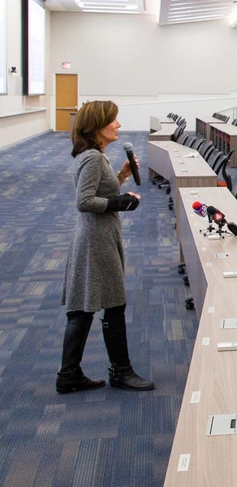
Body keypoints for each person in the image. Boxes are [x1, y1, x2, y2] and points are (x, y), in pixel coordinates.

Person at [58, 101, 153, 394]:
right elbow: (84, 201)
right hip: (96, 239)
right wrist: (122, 202)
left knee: (84, 306)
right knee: (112, 304)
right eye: (113, 120)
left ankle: (69, 374)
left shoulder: (95, 156)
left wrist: (122, 175)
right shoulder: (94, 159)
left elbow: (99, 190)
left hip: (95, 235)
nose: (118, 125)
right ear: (97, 126)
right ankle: (120, 372)